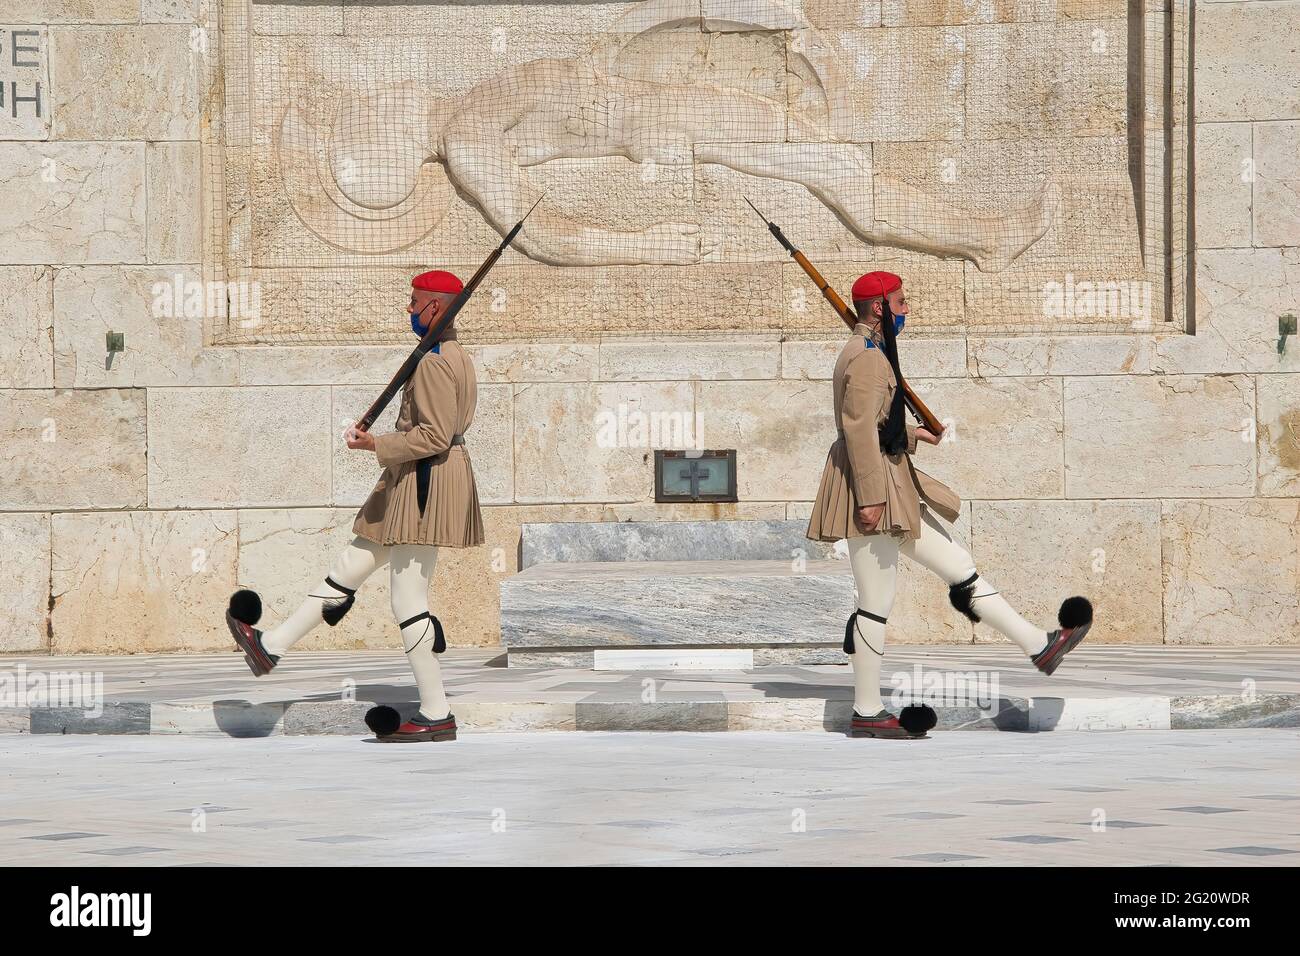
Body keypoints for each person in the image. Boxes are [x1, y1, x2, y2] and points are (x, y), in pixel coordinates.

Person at [807, 270, 1093, 739]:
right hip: (874, 490)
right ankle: (867, 711)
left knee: (958, 563)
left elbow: (878, 425)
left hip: (890, 481)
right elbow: (858, 431)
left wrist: (915, 435)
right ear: (878, 307)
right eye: (899, 302)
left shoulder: (874, 354)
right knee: (875, 604)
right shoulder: (865, 358)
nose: (905, 310)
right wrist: (871, 500)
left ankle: (1039, 646)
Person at [224, 269, 485, 743]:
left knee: (408, 600)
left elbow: (433, 436)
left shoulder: (432, 363)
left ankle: (436, 712)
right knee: (351, 564)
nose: (408, 309)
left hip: (425, 483)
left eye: (413, 302)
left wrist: (372, 444)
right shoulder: (455, 356)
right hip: (415, 481)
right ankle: (271, 646)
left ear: (433, 308)